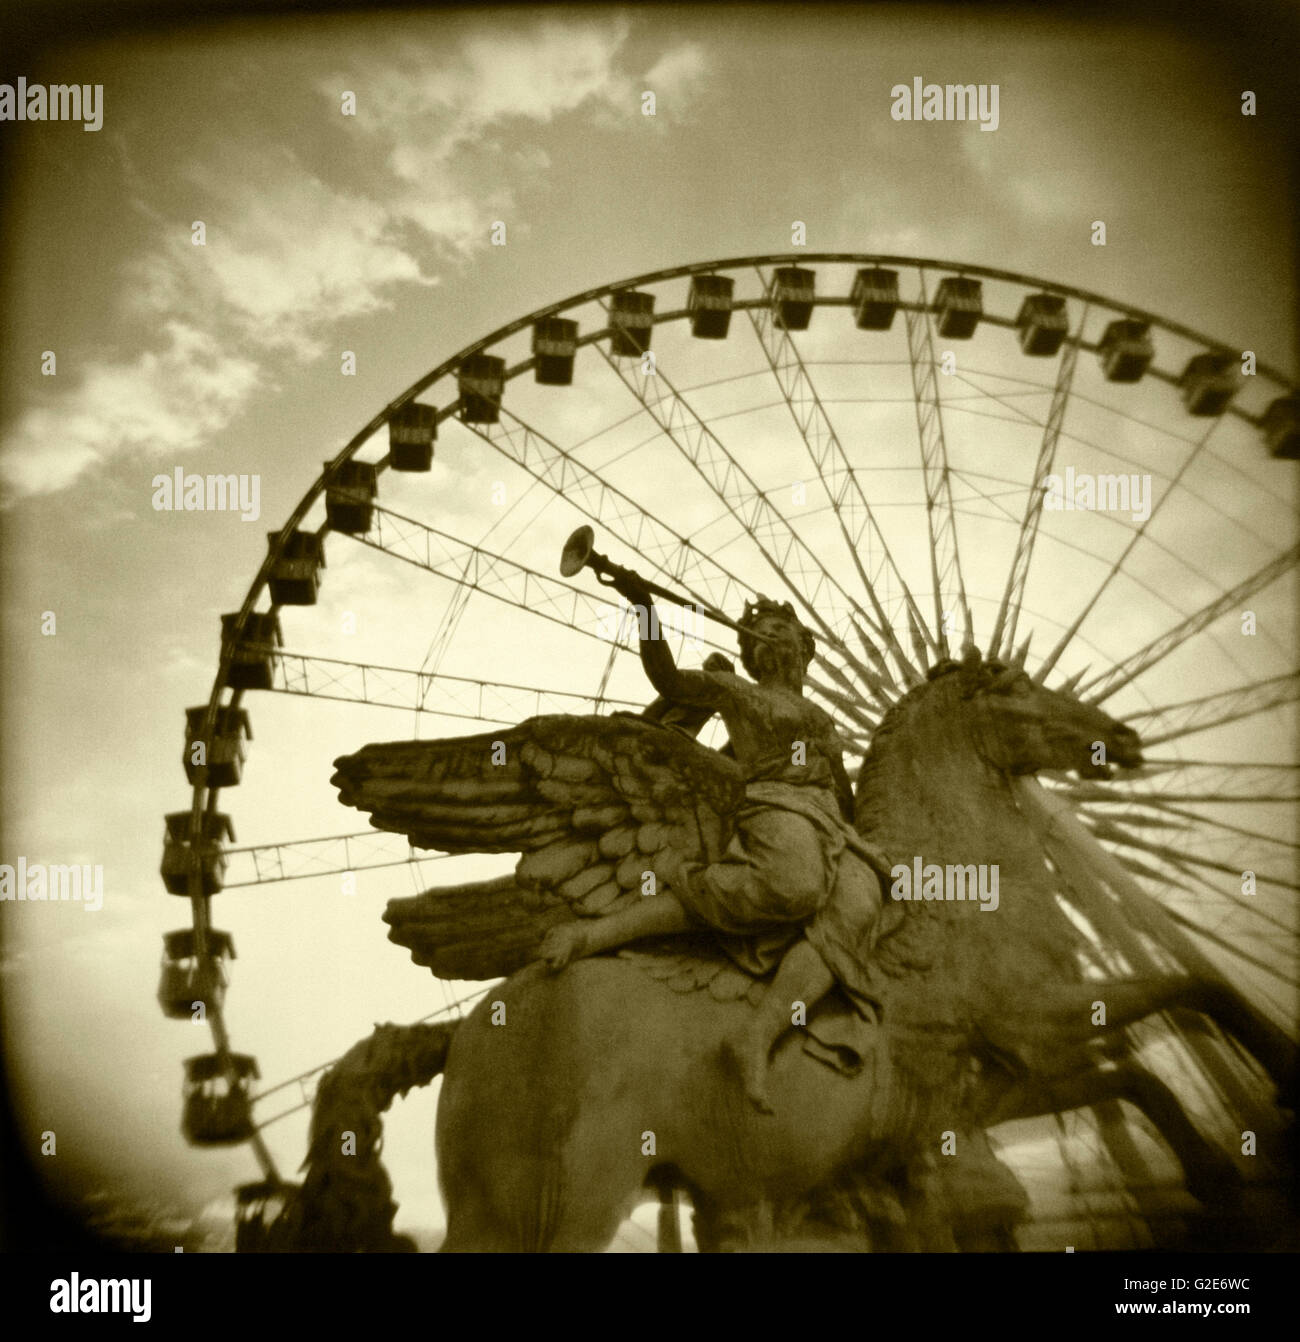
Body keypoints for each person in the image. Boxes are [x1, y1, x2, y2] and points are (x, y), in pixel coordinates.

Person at [536, 571, 892, 1113]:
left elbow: (839, 789)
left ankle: (758, 1036)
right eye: (759, 635)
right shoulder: (737, 693)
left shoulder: (821, 718)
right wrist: (645, 608)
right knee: (793, 887)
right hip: (774, 807)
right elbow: (670, 682)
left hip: (828, 824)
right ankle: (598, 934)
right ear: (750, 653)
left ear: (804, 646)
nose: (770, 639)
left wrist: (866, 841)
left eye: (780, 629)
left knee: (860, 905)